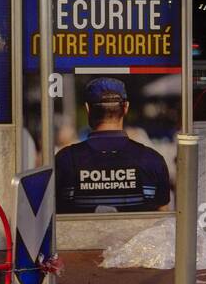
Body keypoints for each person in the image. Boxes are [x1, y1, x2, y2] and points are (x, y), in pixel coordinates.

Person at [55, 77, 172, 213]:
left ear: (88, 109)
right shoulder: (152, 160)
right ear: (126, 107)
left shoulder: (65, 160)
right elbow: (162, 218)